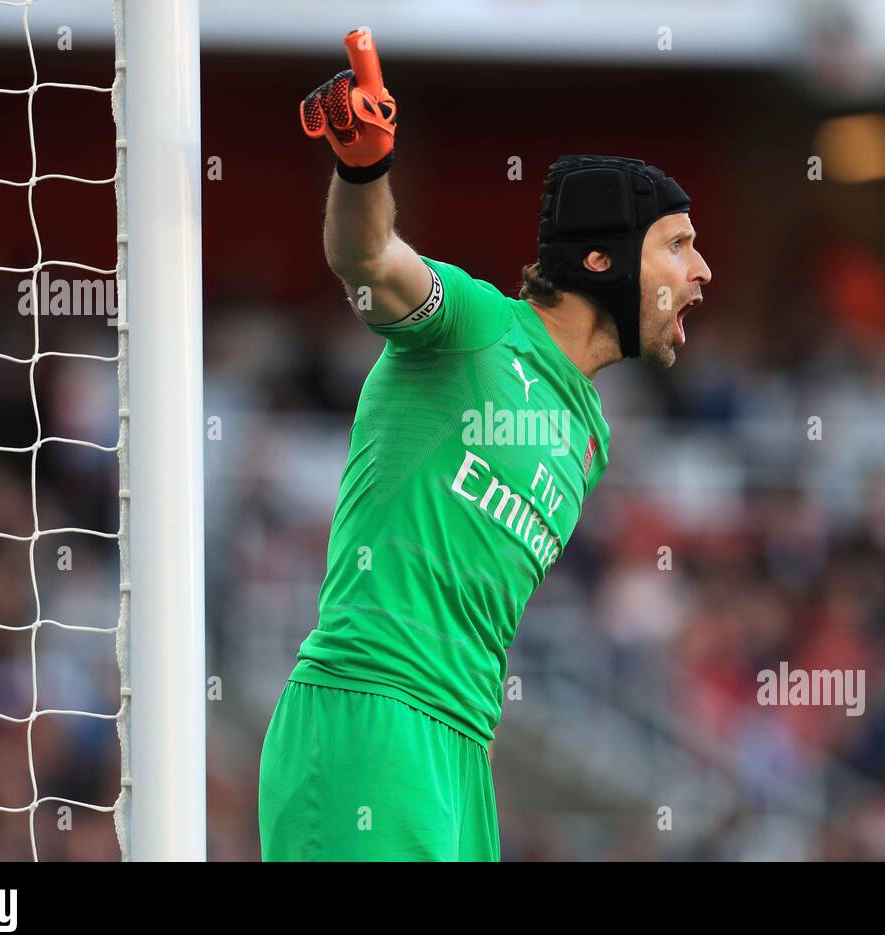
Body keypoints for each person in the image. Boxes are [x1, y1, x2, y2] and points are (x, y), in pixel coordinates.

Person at [258, 27, 711, 861]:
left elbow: (480, 614)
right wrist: (363, 168)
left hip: (461, 756)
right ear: (604, 258)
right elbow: (366, 259)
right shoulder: (475, 328)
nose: (703, 270)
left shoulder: (588, 437)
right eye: (679, 244)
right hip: (371, 717)